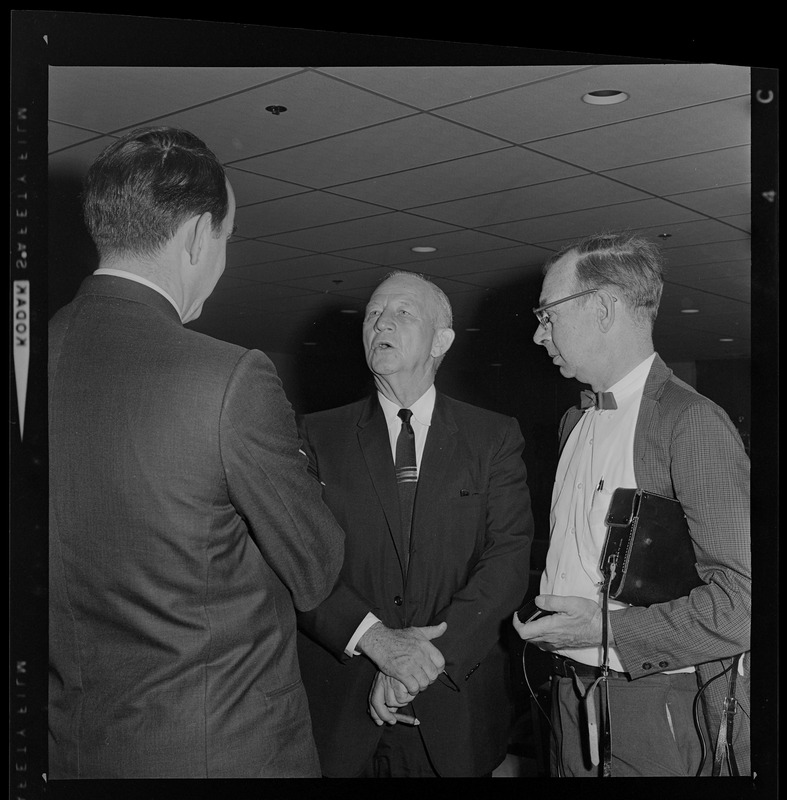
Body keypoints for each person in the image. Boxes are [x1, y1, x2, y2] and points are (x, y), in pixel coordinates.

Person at [48, 126, 345, 778]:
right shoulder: (228, 379)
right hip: (220, 751)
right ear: (195, 237)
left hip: (70, 750)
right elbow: (315, 565)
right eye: (226, 239)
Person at [513, 232, 750, 777]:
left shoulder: (689, 421)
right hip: (568, 693)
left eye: (548, 314)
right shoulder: (575, 422)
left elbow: (747, 601)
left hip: (653, 701)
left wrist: (608, 633)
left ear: (602, 308)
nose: (538, 333)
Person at [295, 270, 534, 777]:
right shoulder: (316, 436)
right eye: (373, 314)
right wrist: (380, 645)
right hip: (343, 708)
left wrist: (419, 664)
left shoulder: (492, 437)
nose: (381, 322)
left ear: (441, 341)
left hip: (454, 704)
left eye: (402, 312)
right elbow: (301, 562)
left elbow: (508, 563)